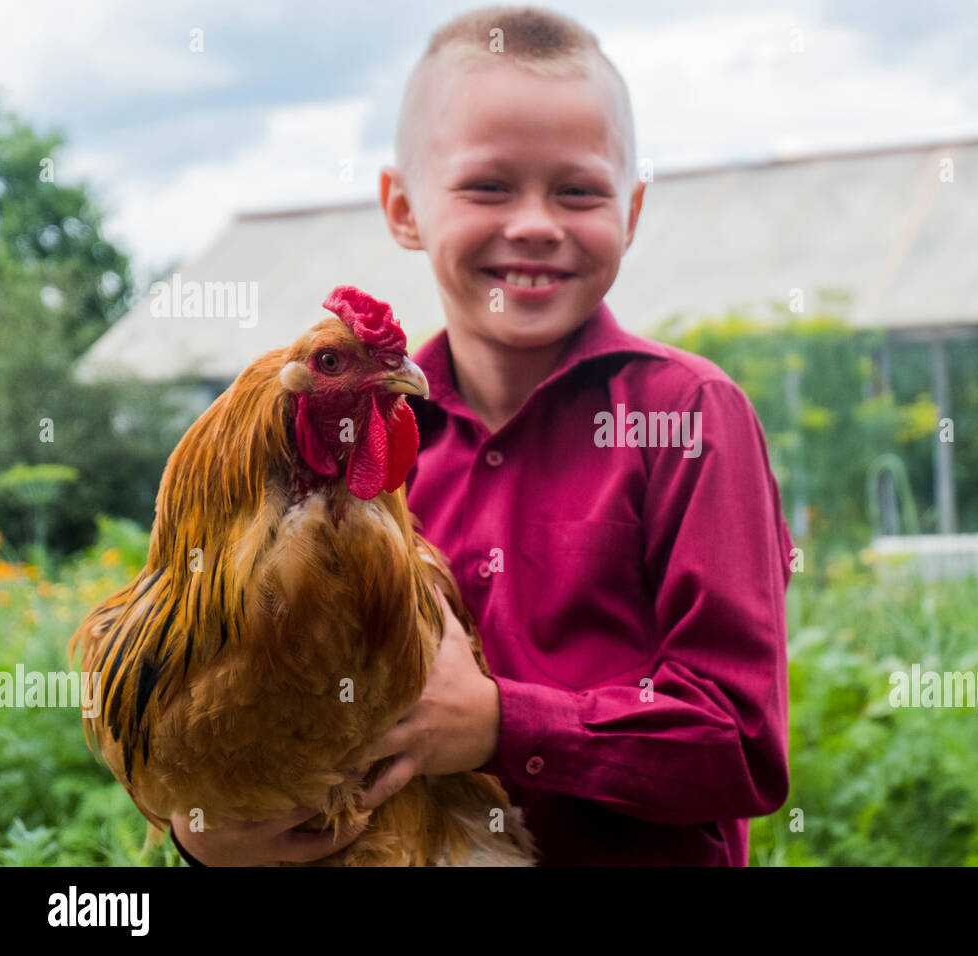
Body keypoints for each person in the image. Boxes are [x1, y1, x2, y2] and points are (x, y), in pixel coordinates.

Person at [171, 4, 793, 867]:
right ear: (403, 208)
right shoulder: (342, 447)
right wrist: (211, 829)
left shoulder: (690, 417)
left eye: (578, 190)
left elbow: (740, 741)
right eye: (488, 186)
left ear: (633, 209)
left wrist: (502, 724)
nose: (535, 222)